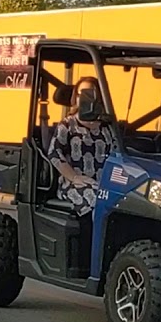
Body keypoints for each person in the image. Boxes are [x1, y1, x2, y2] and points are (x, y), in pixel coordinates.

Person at [46, 77, 115, 256]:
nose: (85, 98)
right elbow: (54, 154)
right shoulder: (67, 125)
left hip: (104, 182)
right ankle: (94, 256)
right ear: (75, 97)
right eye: (81, 93)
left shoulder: (108, 126)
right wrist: (74, 177)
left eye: (90, 93)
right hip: (74, 183)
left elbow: (118, 154)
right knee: (98, 202)